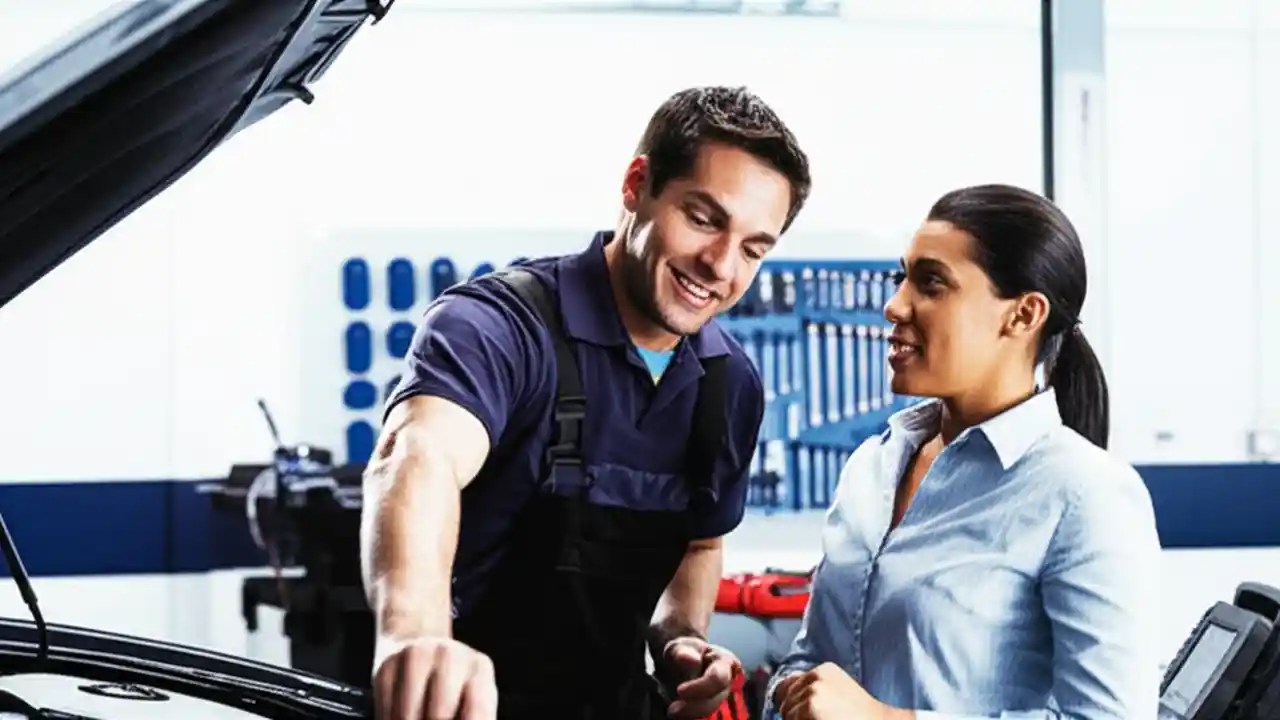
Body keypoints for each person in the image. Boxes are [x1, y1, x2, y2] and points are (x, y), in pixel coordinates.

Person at [360, 85, 812, 720]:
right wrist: (414, 634)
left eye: (752, 249)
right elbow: (416, 455)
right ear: (636, 185)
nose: (720, 265)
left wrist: (680, 638)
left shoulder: (729, 383)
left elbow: (700, 543)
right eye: (703, 219)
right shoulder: (498, 327)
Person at [766, 184, 1163, 720]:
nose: (894, 305)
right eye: (902, 278)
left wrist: (886, 719)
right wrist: (784, 693)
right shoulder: (871, 466)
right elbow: (811, 663)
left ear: (1023, 315)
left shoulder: (1084, 495)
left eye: (931, 283)